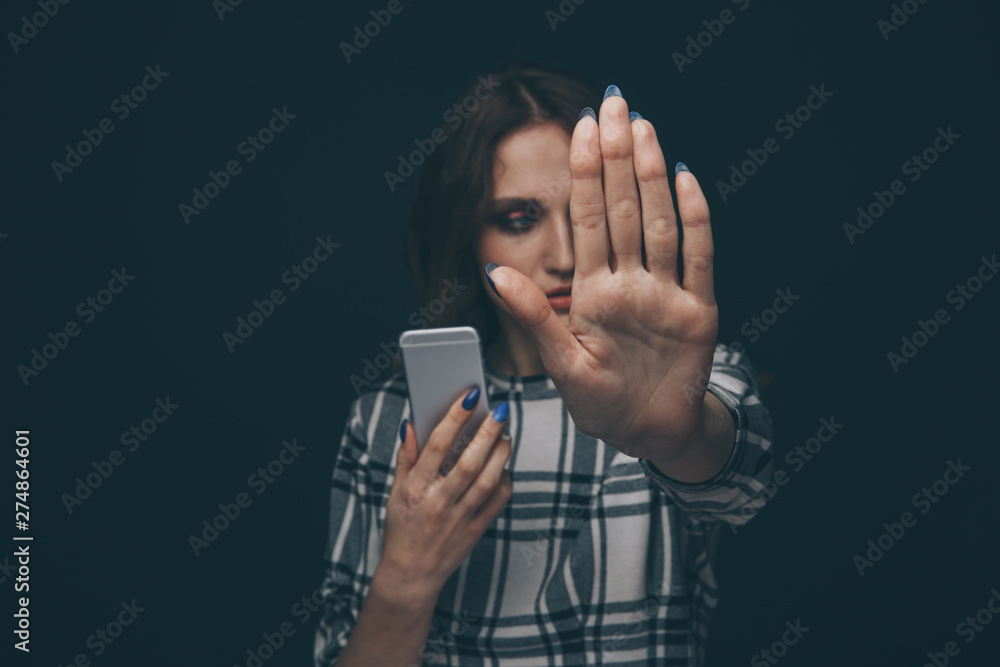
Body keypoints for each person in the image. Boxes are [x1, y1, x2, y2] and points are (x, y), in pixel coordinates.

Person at [314, 62, 775, 667]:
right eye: (519, 218)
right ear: (467, 235)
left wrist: (680, 434)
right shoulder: (385, 423)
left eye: (584, 210)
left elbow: (742, 489)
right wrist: (404, 581)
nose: (563, 255)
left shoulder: (690, 380)